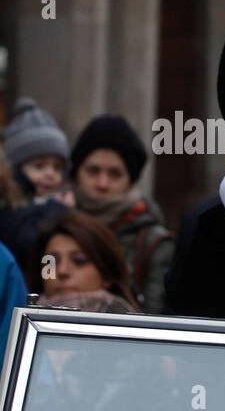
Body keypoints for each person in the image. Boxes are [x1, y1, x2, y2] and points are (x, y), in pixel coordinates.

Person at [69, 115, 174, 313]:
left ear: (130, 181)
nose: (102, 183)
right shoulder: (56, 228)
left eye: (115, 174)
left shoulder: (152, 243)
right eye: (93, 171)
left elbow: (154, 320)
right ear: (76, 173)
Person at [0, 97, 71, 263]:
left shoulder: (60, 203)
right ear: (15, 171)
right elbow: (31, 245)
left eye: (57, 167)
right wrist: (56, 210)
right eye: (39, 166)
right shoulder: (11, 211)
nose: (50, 174)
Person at [25, 211, 139, 313]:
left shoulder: (134, 331)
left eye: (79, 260)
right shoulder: (18, 325)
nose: (62, 271)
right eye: (50, 263)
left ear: (107, 275)